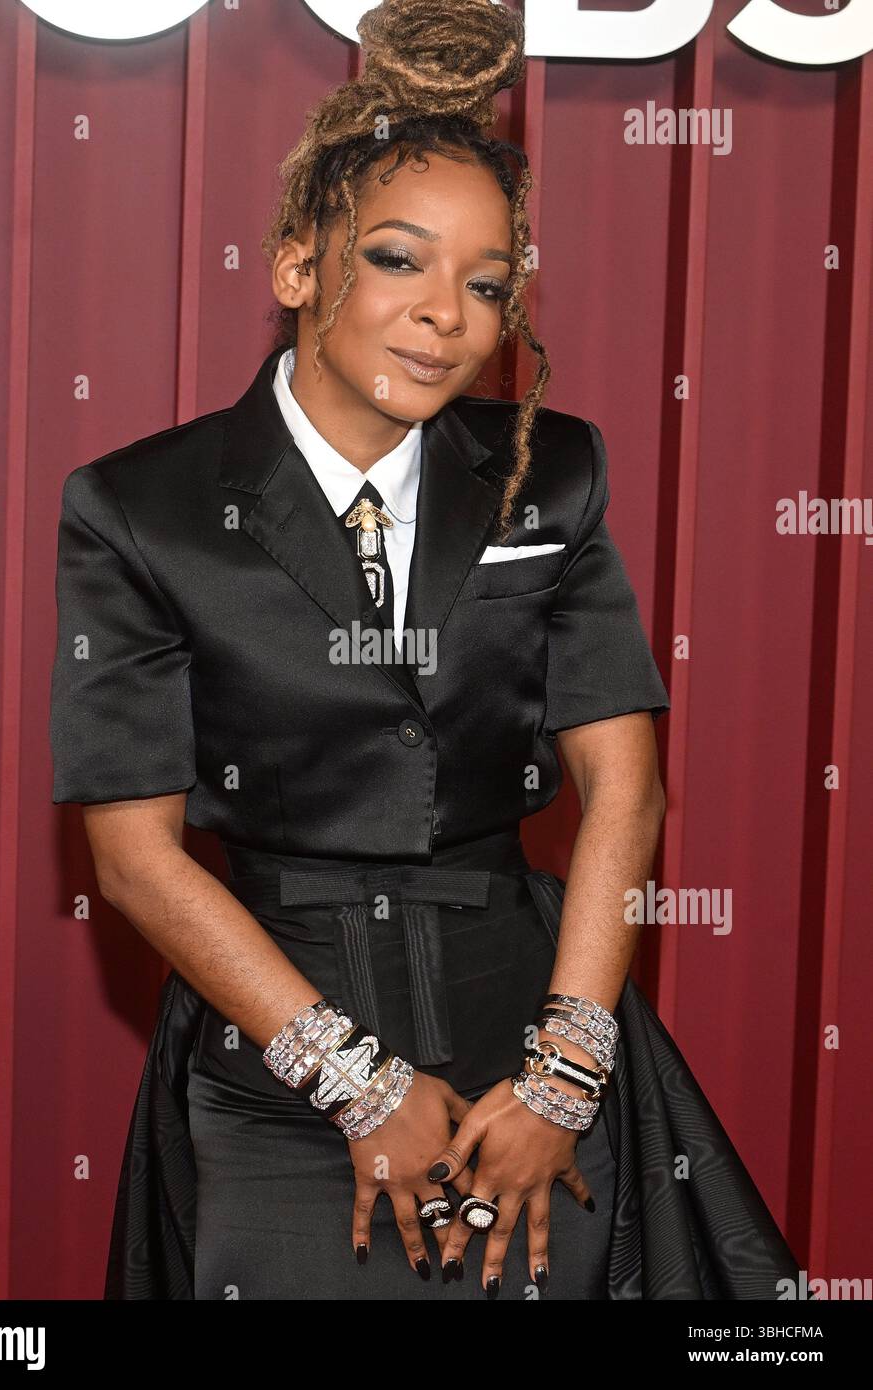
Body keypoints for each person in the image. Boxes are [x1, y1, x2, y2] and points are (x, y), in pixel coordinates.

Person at [49, 0, 800, 1300]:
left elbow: (627, 788)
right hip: (273, 1069)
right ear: (296, 264)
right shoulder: (141, 505)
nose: (446, 314)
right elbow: (132, 860)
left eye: (489, 283)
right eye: (399, 260)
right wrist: (355, 1083)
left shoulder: (551, 471)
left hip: (533, 1062)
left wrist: (566, 1077)